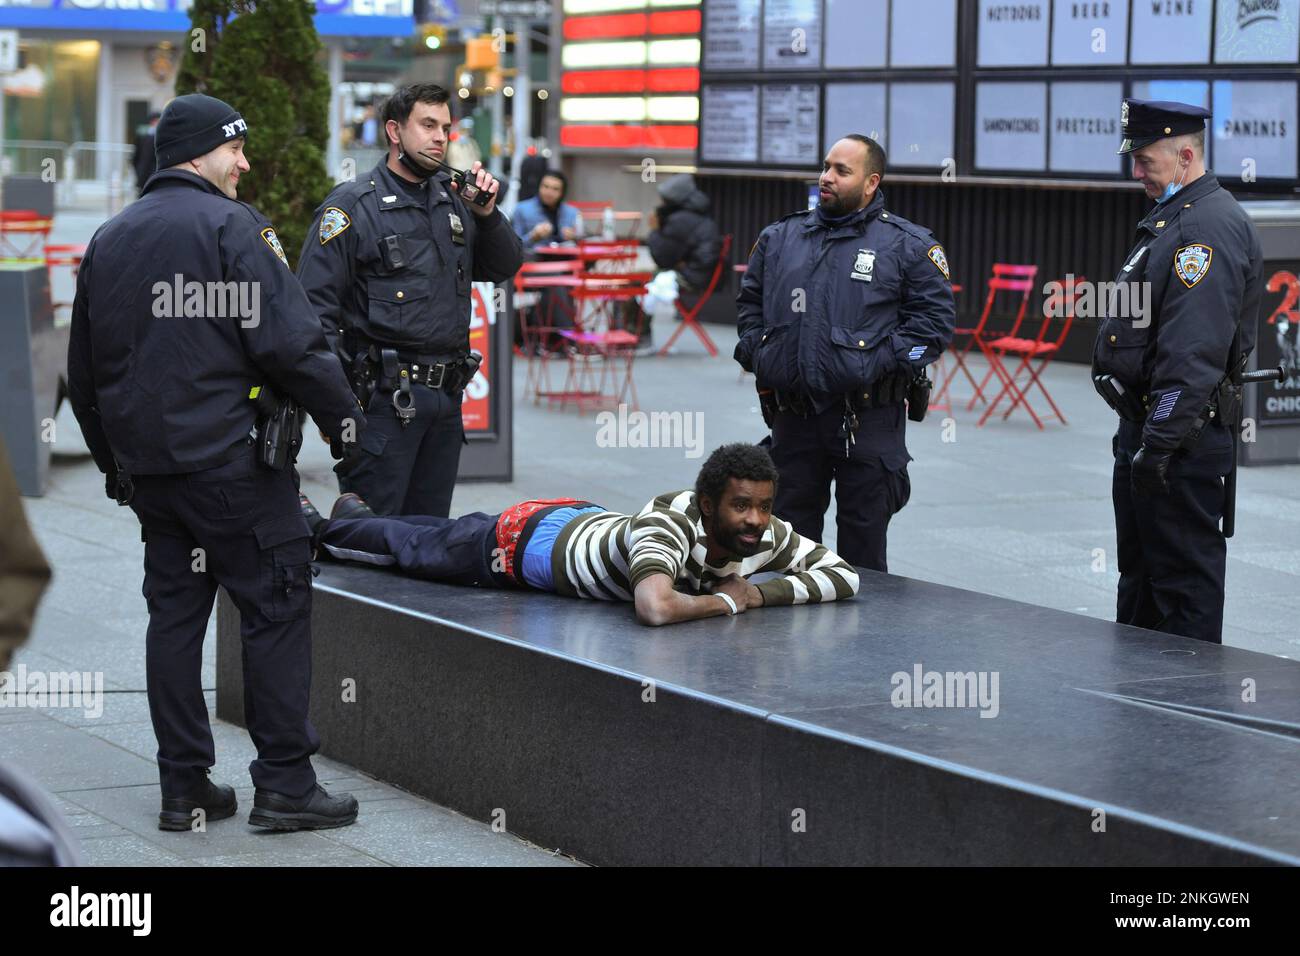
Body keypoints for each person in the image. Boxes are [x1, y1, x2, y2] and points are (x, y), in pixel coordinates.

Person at [67, 94, 367, 832]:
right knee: (275, 606)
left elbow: (82, 371)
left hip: (154, 479)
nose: (245, 163)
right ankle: (287, 786)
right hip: (233, 471)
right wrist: (347, 425)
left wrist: (117, 466)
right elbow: (290, 344)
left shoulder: (111, 238)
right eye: (235, 149)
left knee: (173, 618)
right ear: (200, 153)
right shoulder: (232, 226)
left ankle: (183, 788)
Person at [305, 443, 859, 626]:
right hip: (520, 543)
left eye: (764, 507)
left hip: (575, 521)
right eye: (742, 507)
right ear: (709, 504)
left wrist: (759, 592)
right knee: (416, 551)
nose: (756, 521)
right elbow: (656, 607)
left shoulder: (762, 532)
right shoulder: (669, 519)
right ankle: (322, 529)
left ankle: (355, 513)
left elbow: (843, 575)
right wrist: (726, 601)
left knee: (443, 530)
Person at [297, 83, 523, 518]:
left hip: (445, 402)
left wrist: (488, 215)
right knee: (374, 539)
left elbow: (504, 266)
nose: (440, 137)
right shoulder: (352, 206)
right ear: (395, 131)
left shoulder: (455, 200)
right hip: (381, 403)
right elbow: (313, 312)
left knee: (429, 539)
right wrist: (335, 407)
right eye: (427, 125)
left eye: (445, 127)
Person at [734, 134, 955, 572]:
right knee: (787, 547)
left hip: (868, 420)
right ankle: (784, 639)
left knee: (863, 553)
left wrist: (872, 361)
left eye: (841, 171)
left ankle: (867, 640)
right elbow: (749, 306)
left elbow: (934, 328)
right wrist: (761, 354)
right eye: (826, 166)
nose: (826, 177)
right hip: (793, 419)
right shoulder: (780, 237)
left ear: (871, 182)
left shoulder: (907, 244)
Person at [1092, 99, 1264, 644]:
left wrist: (1159, 446)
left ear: (1185, 155)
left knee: (1181, 591)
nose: (1136, 172)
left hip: (1178, 445)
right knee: (1143, 583)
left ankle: (1189, 718)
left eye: (1145, 160)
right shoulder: (1176, 218)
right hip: (1150, 434)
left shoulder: (1203, 231)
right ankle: (1141, 711)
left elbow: (1192, 355)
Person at [645, 173, 723, 351]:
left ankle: (637, 336)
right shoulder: (696, 215)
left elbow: (662, 258)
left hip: (693, 276)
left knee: (634, 282)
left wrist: (655, 231)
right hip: (703, 274)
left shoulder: (680, 220)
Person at [512, 169, 582, 253]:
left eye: (555, 189)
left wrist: (574, 238)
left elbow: (583, 243)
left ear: (562, 193)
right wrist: (533, 237)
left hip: (566, 260)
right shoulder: (522, 209)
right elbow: (513, 247)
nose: (549, 192)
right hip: (534, 261)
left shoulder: (572, 212)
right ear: (539, 187)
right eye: (545, 186)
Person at [131, 111, 160, 197]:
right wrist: (138, 171)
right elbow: (136, 156)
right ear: (153, 121)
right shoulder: (142, 136)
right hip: (144, 174)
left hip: (154, 175)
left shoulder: (162, 136)